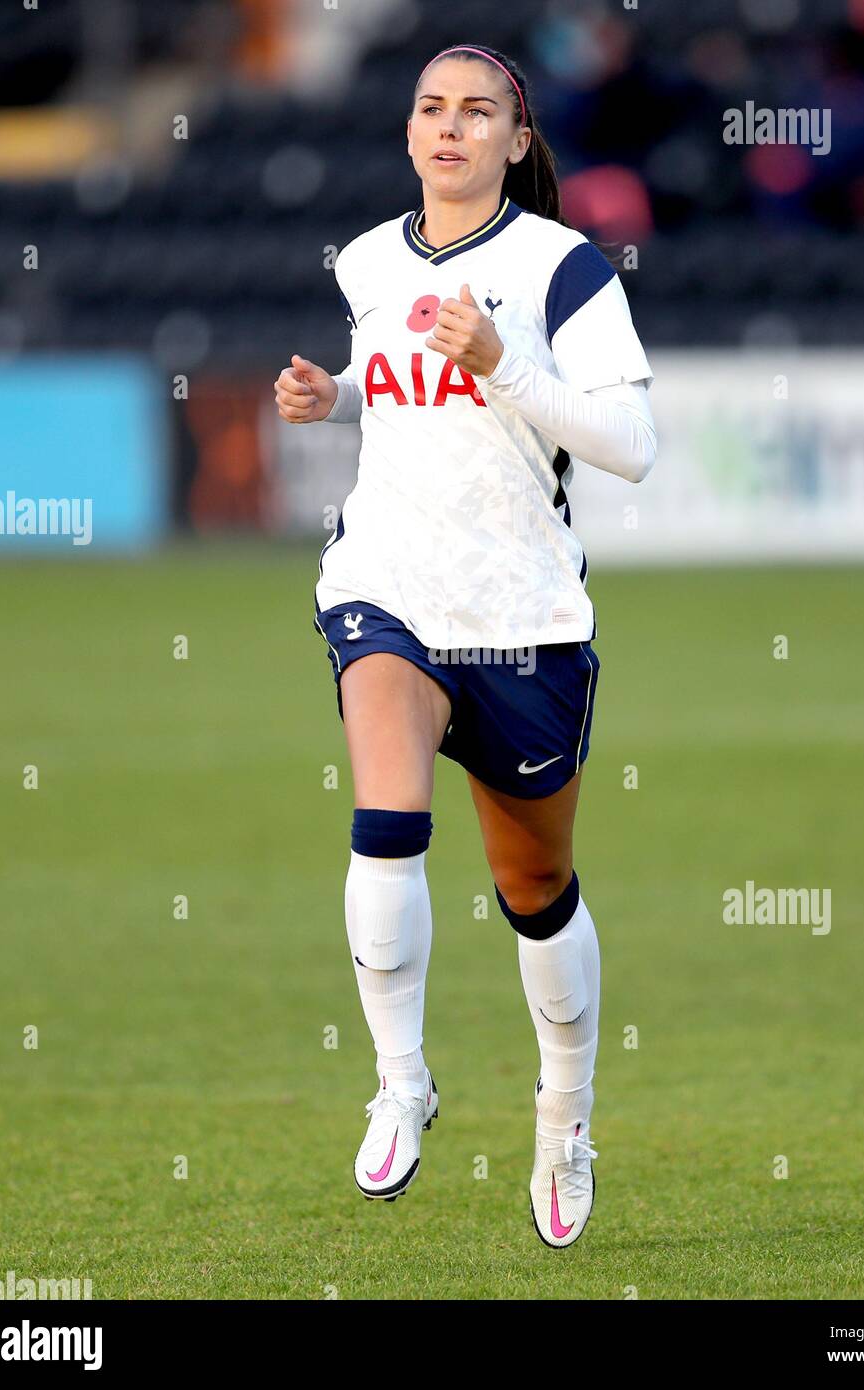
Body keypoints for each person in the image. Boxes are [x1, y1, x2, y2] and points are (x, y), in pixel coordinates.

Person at [274, 42, 656, 1249]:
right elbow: (390, 390)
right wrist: (331, 395)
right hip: (385, 583)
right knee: (385, 820)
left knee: (532, 889)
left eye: (476, 111)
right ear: (407, 133)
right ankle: (400, 1078)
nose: (449, 127)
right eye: (430, 109)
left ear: (515, 138)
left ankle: (563, 1118)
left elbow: (628, 443)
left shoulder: (561, 267)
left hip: (522, 617)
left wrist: (503, 364)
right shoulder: (367, 260)